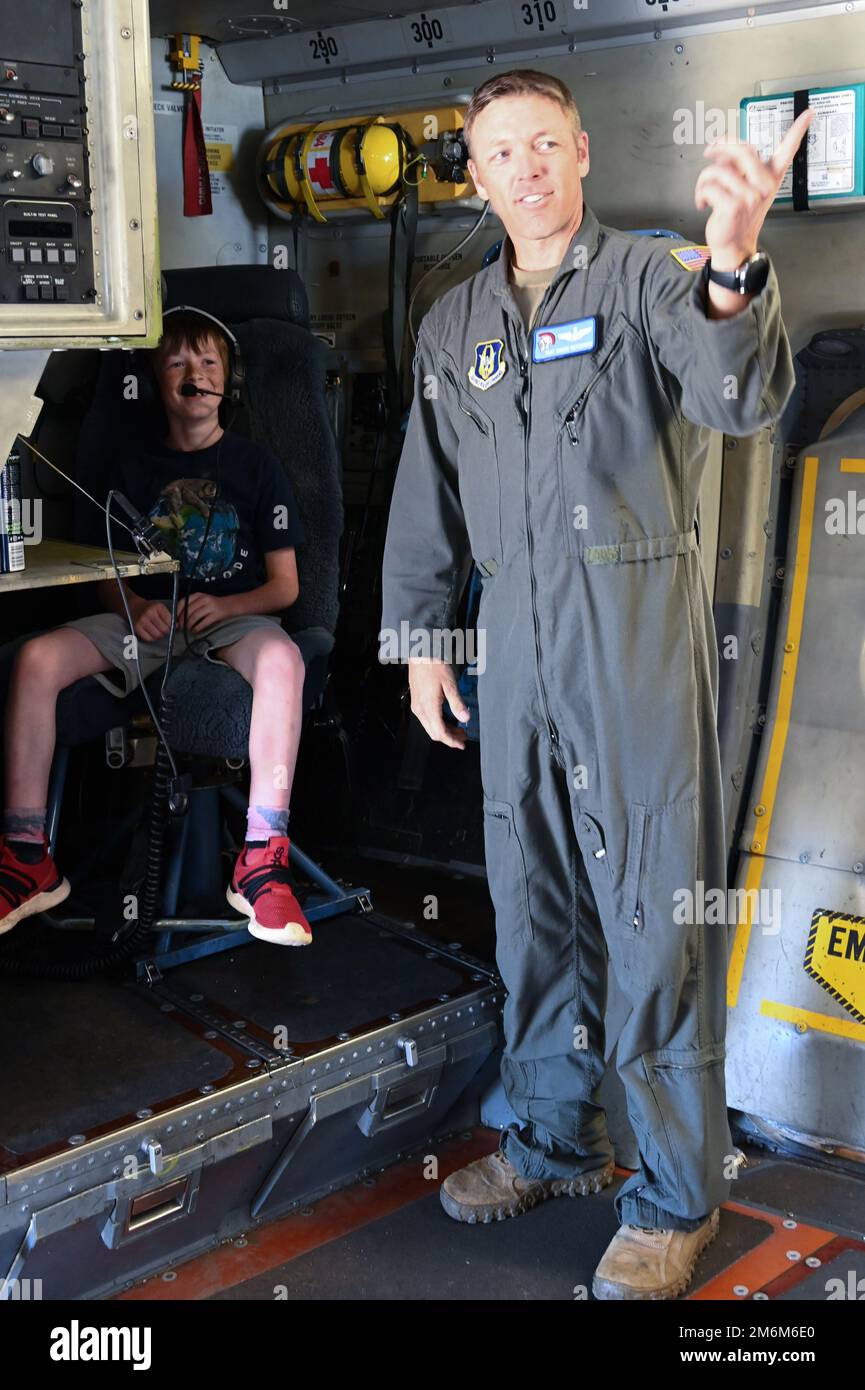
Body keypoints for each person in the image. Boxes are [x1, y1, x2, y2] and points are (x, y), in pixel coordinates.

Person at [381, 69, 812, 1299]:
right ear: (475, 176)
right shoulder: (452, 324)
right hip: (510, 639)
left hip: (629, 637)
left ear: (580, 153)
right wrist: (421, 638)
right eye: (497, 151)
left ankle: (676, 1197)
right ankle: (551, 1137)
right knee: (534, 902)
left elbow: (741, 396)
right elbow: (428, 497)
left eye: (543, 144)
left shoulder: (646, 280)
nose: (522, 167)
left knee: (652, 914)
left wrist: (732, 265)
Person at [1, 308, 312, 946]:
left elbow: (286, 587)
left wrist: (226, 608)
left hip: (233, 620)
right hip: (147, 625)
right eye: (176, 363)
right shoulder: (131, 469)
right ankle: (28, 855)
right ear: (154, 379)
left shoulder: (258, 468)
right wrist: (132, 607)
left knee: (285, 662)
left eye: (207, 363)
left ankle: (262, 858)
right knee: (35, 659)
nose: (192, 374)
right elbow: (98, 570)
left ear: (230, 381)